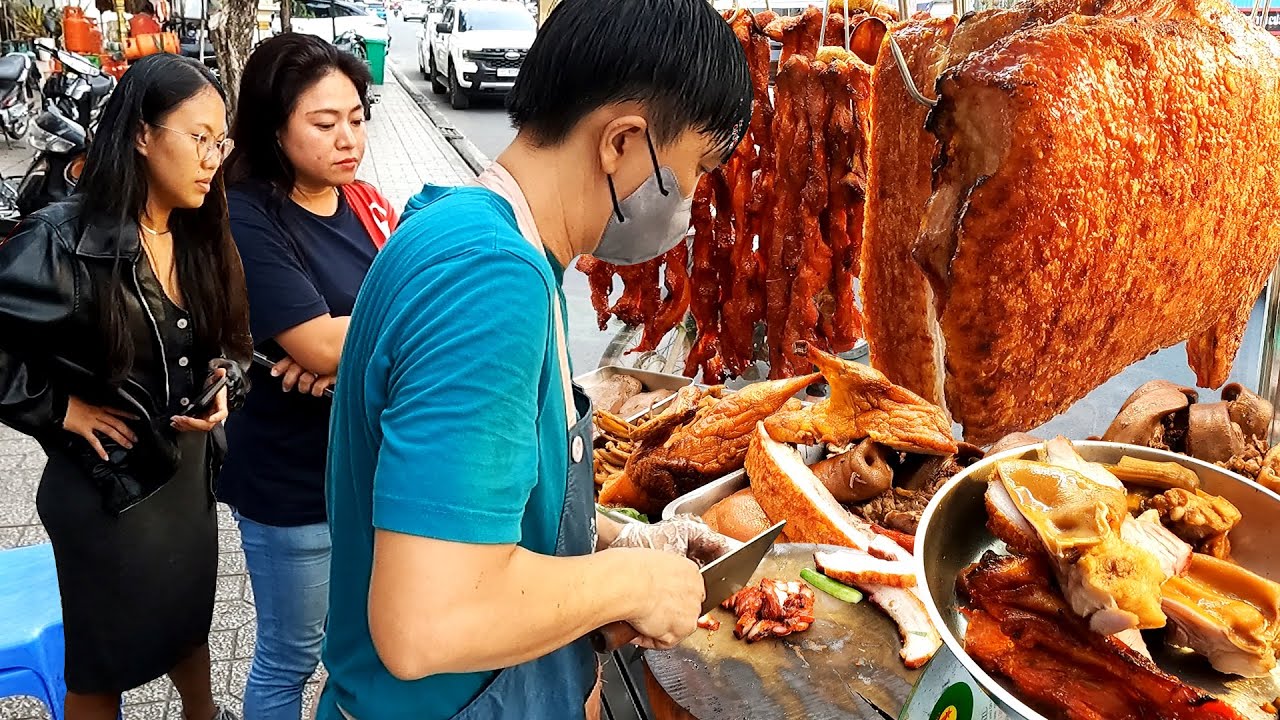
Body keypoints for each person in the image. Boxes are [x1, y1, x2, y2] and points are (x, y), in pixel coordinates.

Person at [318, 0, 753, 716]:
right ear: (621, 143)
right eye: (696, 170)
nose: (694, 203)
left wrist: (631, 539)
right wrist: (632, 585)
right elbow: (426, 620)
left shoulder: (464, 228)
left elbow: (496, 506)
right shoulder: (489, 283)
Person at [0, 53, 249, 720]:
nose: (212, 158)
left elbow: (225, 345)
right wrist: (58, 407)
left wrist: (223, 383)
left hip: (186, 485)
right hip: (108, 496)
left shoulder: (197, 233)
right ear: (142, 133)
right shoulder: (63, 241)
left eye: (219, 141)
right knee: (99, 664)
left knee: (188, 626)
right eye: (197, 137)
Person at [218, 32, 395, 720]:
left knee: (348, 640)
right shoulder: (249, 216)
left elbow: (342, 341)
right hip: (291, 482)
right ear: (274, 128)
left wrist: (347, 356)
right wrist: (339, 350)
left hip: (360, 467)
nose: (348, 138)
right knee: (289, 656)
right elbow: (322, 345)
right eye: (324, 124)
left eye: (356, 118)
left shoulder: (362, 203)